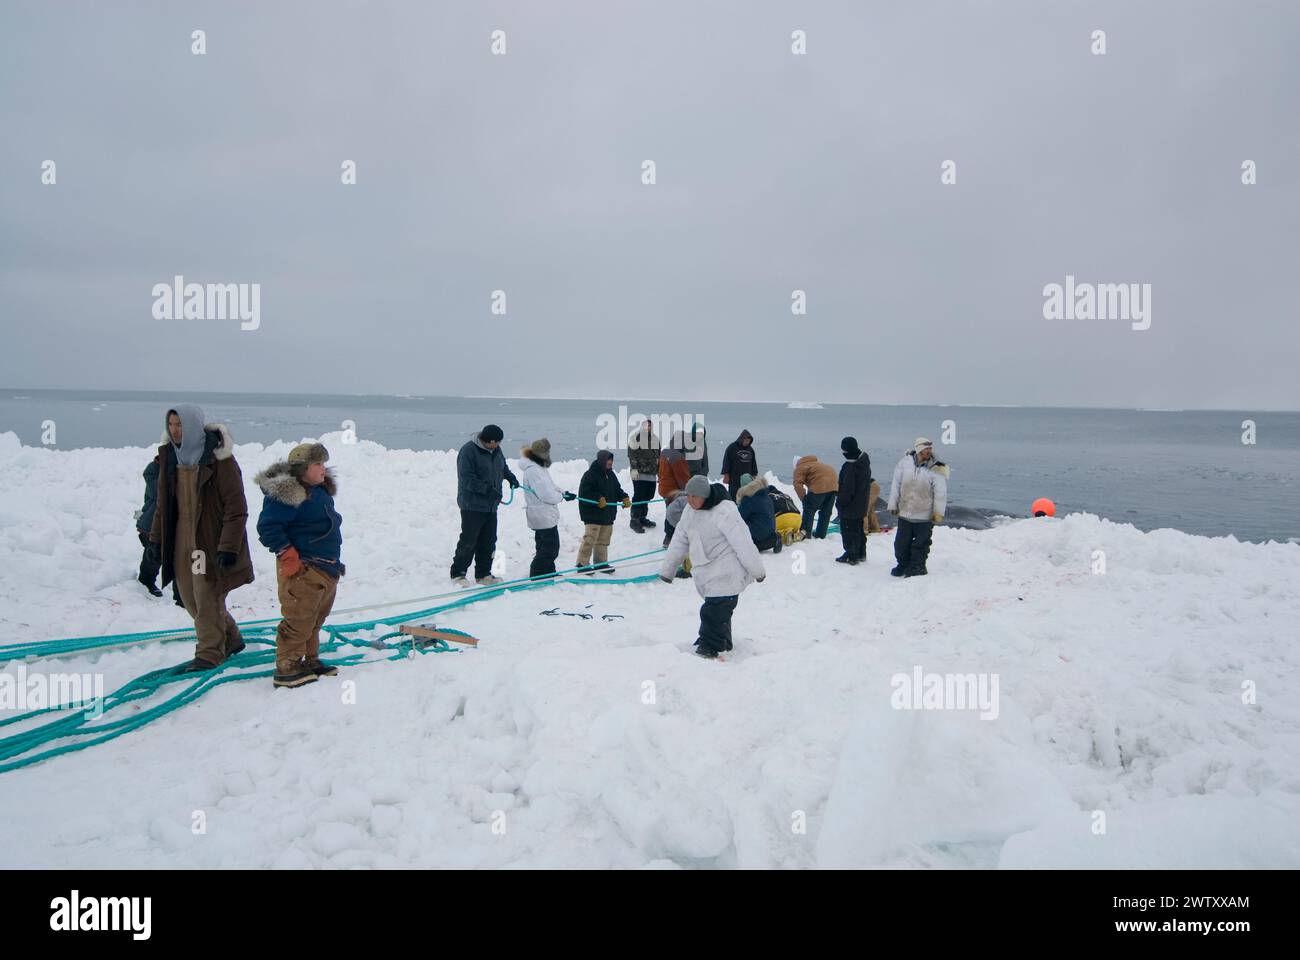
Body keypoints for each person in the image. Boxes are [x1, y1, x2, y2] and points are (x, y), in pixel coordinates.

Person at [145, 404, 253, 672]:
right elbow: (162, 506)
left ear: (192, 425)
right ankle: (232, 638)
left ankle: (209, 653)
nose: (174, 430)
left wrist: (228, 546)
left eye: (179, 424)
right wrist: (155, 541)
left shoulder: (219, 459)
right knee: (188, 598)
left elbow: (236, 507)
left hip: (206, 541)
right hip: (181, 540)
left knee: (206, 596)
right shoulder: (170, 457)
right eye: (170, 424)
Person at [255, 443, 345, 689]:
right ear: (302, 469)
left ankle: (309, 658)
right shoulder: (288, 496)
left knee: (315, 618)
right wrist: (287, 553)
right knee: (299, 618)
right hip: (303, 569)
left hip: (326, 567)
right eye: (317, 464)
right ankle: (287, 664)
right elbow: (268, 527)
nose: (323, 469)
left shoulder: (320, 492)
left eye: (324, 464)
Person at [658, 475, 766, 659]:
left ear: (705, 496)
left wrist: (758, 571)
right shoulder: (690, 512)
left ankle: (709, 648)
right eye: (688, 496)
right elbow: (679, 540)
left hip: (727, 572)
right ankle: (722, 643)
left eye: (694, 497)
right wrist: (668, 570)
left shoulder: (724, 511)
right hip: (706, 573)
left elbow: (743, 543)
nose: (690, 500)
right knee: (718, 613)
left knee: (711, 613)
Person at [451, 424, 519, 587]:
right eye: (497, 443)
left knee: (488, 541)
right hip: (472, 504)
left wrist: (510, 478)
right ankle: (458, 574)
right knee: (469, 539)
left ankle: (483, 574)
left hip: (490, 505)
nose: (499, 446)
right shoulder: (468, 451)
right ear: (489, 441)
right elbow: (467, 479)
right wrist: (488, 490)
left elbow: (502, 466)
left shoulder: (496, 450)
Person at [887, 437, 949, 578]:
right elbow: (896, 485)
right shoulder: (904, 463)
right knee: (901, 544)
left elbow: (941, 493)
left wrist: (938, 513)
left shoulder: (937, 467)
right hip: (905, 512)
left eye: (930, 448)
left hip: (924, 514)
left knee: (921, 545)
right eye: (926, 448)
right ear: (919, 449)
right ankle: (903, 564)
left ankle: (917, 567)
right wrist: (893, 504)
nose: (929, 451)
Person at [517, 437, 576, 579]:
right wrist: (561, 498)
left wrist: (563, 493)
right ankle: (537, 573)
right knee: (551, 548)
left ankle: (549, 572)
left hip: (543, 514)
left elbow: (550, 486)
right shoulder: (534, 471)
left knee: (544, 546)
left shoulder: (538, 467)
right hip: (542, 514)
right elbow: (547, 495)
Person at [134, 449, 181, 604]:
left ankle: (180, 593)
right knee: (153, 555)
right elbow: (160, 494)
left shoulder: (184, 469)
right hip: (152, 521)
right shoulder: (154, 471)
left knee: (179, 557)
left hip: (176, 522)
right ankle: (146, 581)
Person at [576, 449, 630, 574]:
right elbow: (585, 493)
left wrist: (624, 497)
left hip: (607, 514)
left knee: (603, 540)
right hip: (593, 514)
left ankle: (600, 563)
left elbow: (617, 490)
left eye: (611, 460)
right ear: (602, 461)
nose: (610, 462)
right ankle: (582, 563)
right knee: (590, 539)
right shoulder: (590, 475)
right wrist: (598, 498)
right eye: (608, 460)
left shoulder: (611, 475)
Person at [836, 436, 872, 565]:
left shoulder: (850, 467)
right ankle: (861, 553)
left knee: (848, 531)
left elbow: (847, 490)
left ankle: (852, 555)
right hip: (861, 504)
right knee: (858, 530)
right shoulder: (863, 463)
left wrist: (840, 503)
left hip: (850, 507)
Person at [793, 454, 839, 539]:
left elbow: (797, 484)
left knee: (809, 510)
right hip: (833, 486)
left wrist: (803, 498)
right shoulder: (817, 464)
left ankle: (805, 534)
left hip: (820, 485)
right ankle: (821, 534)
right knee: (825, 512)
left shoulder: (800, 467)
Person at [626, 419, 660, 534]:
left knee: (648, 496)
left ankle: (642, 518)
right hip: (639, 473)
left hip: (651, 473)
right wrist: (634, 468)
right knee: (639, 496)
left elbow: (658, 456)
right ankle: (634, 519)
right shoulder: (636, 438)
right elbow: (632, 454)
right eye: (646, 426)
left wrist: (659, 472)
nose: (648, 428)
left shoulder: (655, 439)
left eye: (650, 426)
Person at [735, 473, 782, 553]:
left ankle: (770, 541)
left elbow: (738, 517)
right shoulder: (765, 495)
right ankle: (774, 539)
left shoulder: (748, 499)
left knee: (745, 546)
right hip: (770, 529)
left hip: (758, 532)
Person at [720, 429, 758, 500]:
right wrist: (726, 475)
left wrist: (754, 475)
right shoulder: (732, 447)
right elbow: (726, 462)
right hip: (734, 479)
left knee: (746, 497)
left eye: (748, 441)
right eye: (746, 440)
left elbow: (754, 463)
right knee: (733, 497)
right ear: (741, 439)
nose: (747, 442)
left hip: (747, 480)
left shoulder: (750, 450)